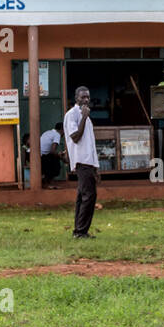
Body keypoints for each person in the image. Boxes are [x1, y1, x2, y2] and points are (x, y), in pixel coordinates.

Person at [64, 86, 101, 238]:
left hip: (89, 163)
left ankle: (79, 230)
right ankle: (81, 231)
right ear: (76, 98)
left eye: (87, 97)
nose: (85, 100)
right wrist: (84, 117)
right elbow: (75, 137)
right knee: (89, 196)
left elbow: (90, 145)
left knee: (82, 197)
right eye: (82, 97)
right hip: (81, 161)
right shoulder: (72, 115)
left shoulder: (86, 117)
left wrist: (96, 168)